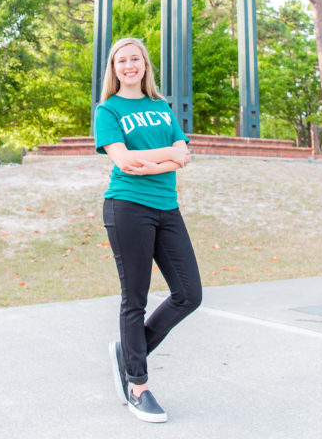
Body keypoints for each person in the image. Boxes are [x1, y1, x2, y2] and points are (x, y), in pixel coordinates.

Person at [93, 37, 202, 423]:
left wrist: (158, 160)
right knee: (134, 297)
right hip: (127, 207)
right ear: (114, 68)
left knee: (189, 294)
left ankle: (128, 353)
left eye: (134, 58)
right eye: (121, 60)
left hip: (167, 209)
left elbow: (184, 154)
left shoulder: (161, 108)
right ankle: (138, 386)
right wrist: (167, 157)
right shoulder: (108, 110)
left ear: (144, 64)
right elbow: (122, 161)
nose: (128, 65)